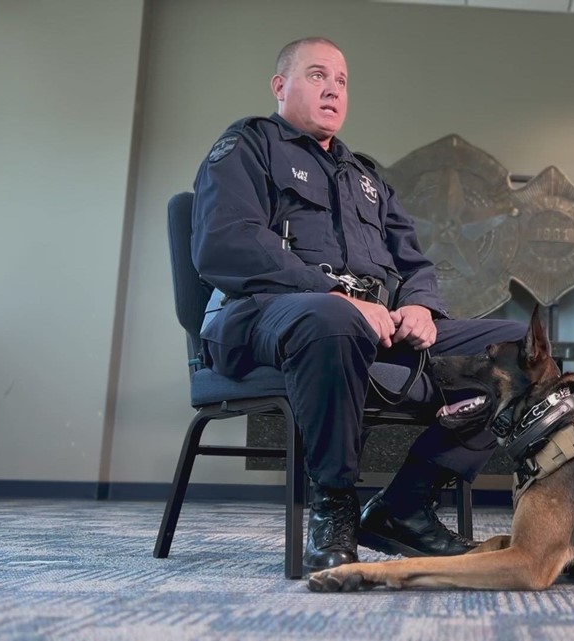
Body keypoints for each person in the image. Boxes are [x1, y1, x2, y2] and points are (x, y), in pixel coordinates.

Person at [190, 36, 525, 573]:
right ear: (280, 86)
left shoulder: (365, 177)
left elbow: (413, 261)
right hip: (263, 319)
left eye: (342, 81)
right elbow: (225, 242)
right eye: (317, 75)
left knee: (514, 349)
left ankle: (406, 505)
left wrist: (419, 305)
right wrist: (335, 295)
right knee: (332, 317)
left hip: (368, 326)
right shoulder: (248, 146)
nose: (333, 90)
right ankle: (334, 508)